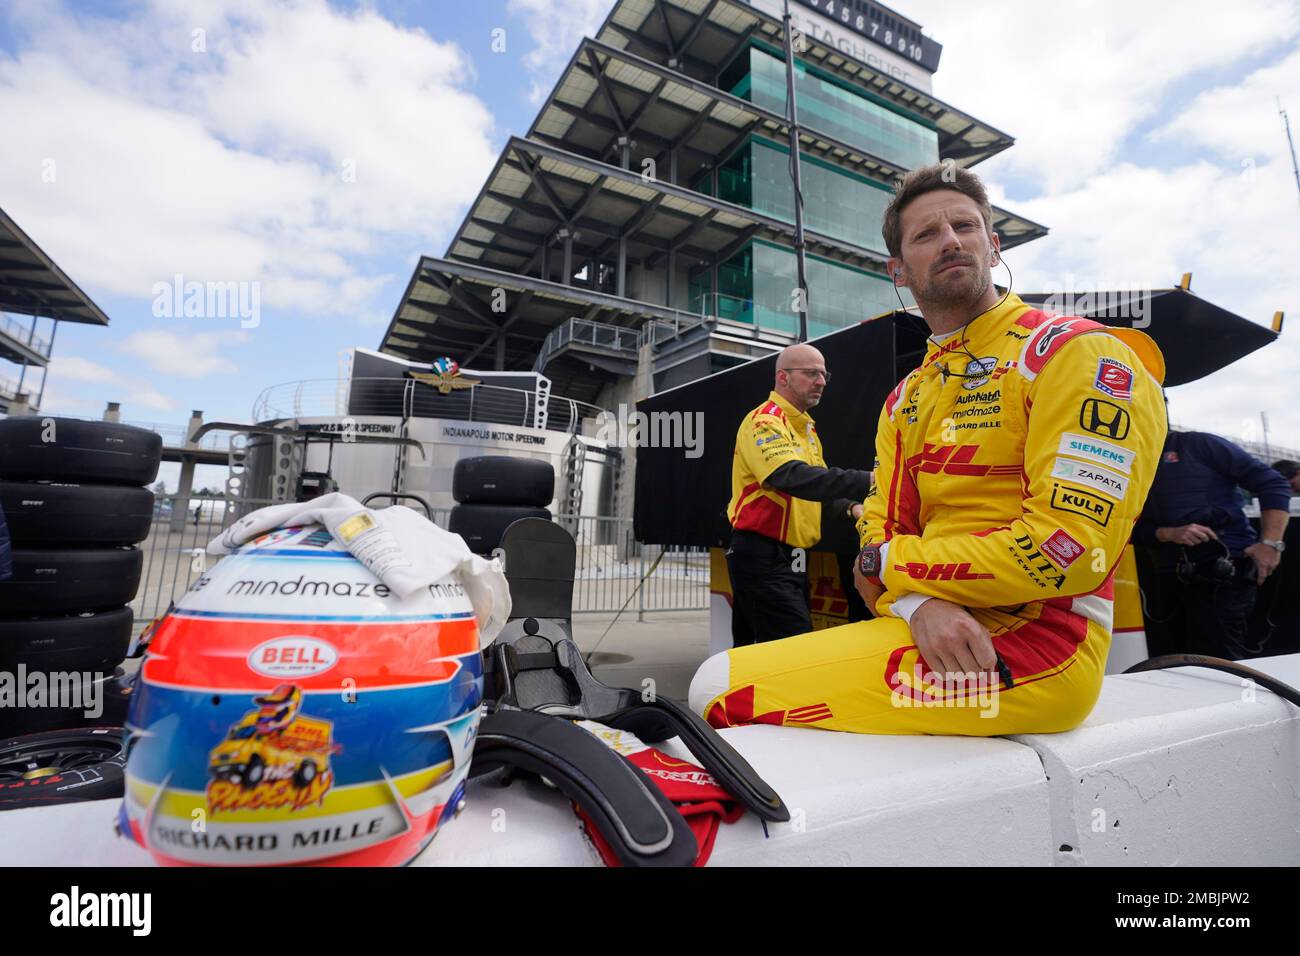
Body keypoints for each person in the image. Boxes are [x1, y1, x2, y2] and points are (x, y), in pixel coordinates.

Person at [691, 162, 1167, 736]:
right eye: (926, 234)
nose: (949, 241)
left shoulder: (1076, 353)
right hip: (915, 618)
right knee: (724, 678)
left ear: (993, 247)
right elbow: (878, 530)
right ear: (898, 270)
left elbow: (1067, 550)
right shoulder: (905, 398)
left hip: (1037, 647)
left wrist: (893, 567)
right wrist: (918, 604)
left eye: (964, 227)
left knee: (720, 690)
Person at [725, 343, 873, 646]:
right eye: (811, 373)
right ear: (783, 377)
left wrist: (853, 509)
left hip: (789, 557)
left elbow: (818, 491)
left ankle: (737, 693)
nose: (821, 381)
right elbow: (788, 477)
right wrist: (869, 479)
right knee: (791, 644)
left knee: (754, 648)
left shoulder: (806, 430)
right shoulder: (764, 421)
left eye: (823, 374)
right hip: (761, 553)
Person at [1133, 432, 1291, 660]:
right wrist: (1165, 533)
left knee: (1220, 661)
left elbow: (1273, 483)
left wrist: (1271, 544)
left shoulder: (1197, 444)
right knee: (1172, 661)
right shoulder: (1122, 459)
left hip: (1222, 572)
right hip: (1164, 580)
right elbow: (1118, 525)